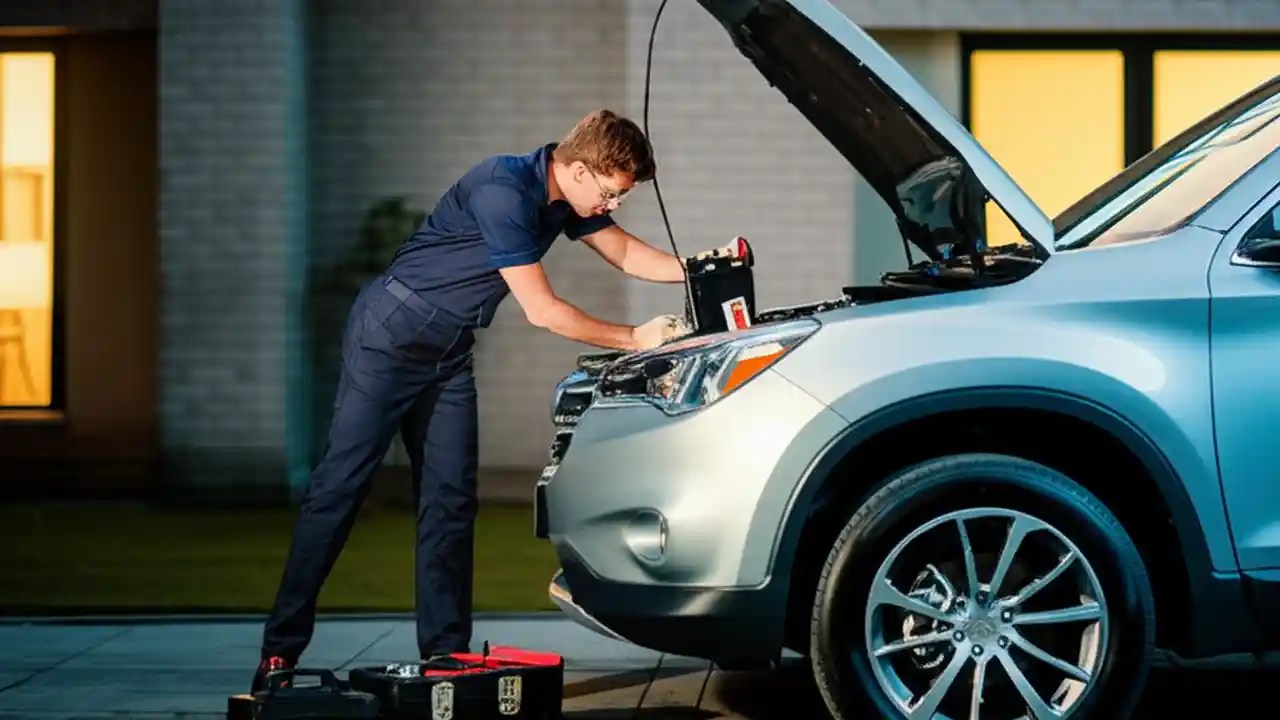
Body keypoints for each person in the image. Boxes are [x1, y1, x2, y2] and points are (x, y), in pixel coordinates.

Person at [252, 109, 716, 690]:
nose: (612, 205)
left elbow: (625, 254)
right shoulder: (505, 190)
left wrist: (704, 268)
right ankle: (279, 654)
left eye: (620, 197)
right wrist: (634, 337)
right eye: (610, 193)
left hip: (446, 352)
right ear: (576, 169)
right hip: (388, 336)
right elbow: (543, 312)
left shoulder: (564, 199)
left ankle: (446, 656)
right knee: (337, 492)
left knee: (449, 501)